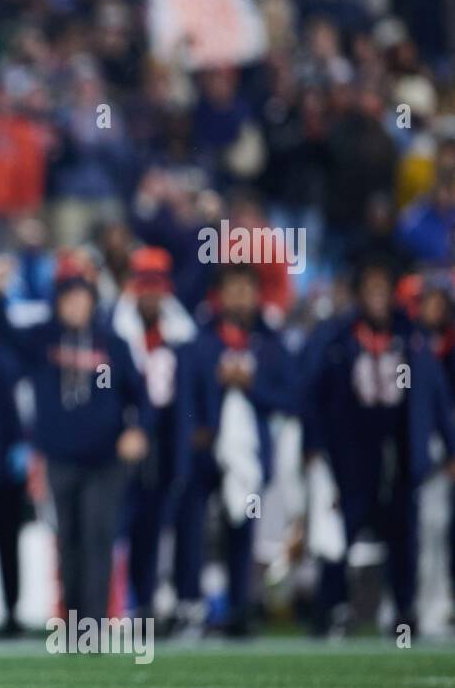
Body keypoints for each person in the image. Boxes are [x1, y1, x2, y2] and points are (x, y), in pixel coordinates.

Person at [301, 260, 455, 636]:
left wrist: (451, 445)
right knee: (341, 528)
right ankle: (331, 609)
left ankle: (404, 610)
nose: (376, 296)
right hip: (352, 448)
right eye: (369, 287)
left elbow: (434, 395)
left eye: (382, 287)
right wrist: (314, 444)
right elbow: (314, 392)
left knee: (402, 532)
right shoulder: (338, 337)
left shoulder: (410, 338)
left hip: (397, 447)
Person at [0, 254, 152, 623]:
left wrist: (137, 430)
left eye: (84, 299)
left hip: (106, 458)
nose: (77, 306)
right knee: (68, 539)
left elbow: (141, 396)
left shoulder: (113, 343)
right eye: (70, 299)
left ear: (94, 302)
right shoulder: (42, 339)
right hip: (59, 455)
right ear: (58, 302)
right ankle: (73, 619)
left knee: (99, 535)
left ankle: (94, 622)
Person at [174, 263, 295, 636]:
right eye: (233, 289)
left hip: (249, 452)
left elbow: (288, 396)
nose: (240, 297)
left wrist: (250, 384)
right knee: (191, 527)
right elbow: (186, 393)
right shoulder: (201, 341)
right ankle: (189, 606)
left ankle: (239, 609)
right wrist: (199, 428)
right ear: (219, 295)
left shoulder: (269, 343)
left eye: (246, 289)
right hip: (204, 453)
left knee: (242, 528)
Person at [112, 246, 195, 621]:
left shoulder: (181, 334)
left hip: (165, 439)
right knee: (119, 522)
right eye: (143, 284)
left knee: (157, 523)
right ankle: (118, 603)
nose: (149, 293)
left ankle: (152, 601)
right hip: (124, 439)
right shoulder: (117, 332)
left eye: (155, 285)